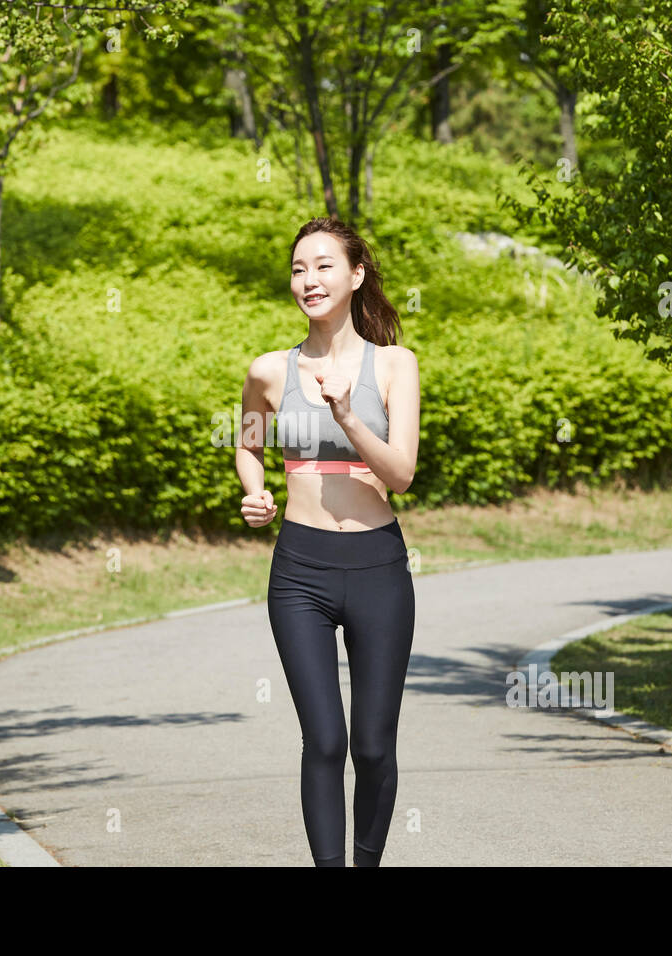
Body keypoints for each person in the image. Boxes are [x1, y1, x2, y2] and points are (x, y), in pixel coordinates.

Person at [236, 216, 421, 866]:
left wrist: (346, 414)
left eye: (322, 265)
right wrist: (254, 490)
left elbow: (400, 474)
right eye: (298, 268)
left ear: (356, 274)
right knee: (324, 740)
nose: (308, 279)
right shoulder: (269, 370)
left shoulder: (395, 365)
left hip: (377, 568)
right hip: (300, 572)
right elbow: (248, 439)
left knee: (373, 745)